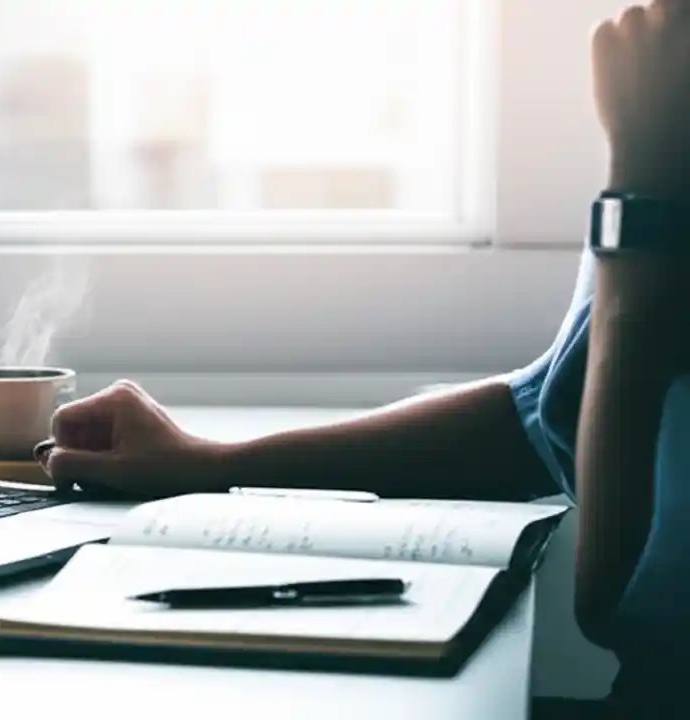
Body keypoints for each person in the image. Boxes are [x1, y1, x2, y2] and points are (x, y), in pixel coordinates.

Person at [37, 2, 690, 716]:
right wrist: (211, 467)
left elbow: (621, 603)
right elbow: (541, 418)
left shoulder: (657, 147)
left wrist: (644, 194)